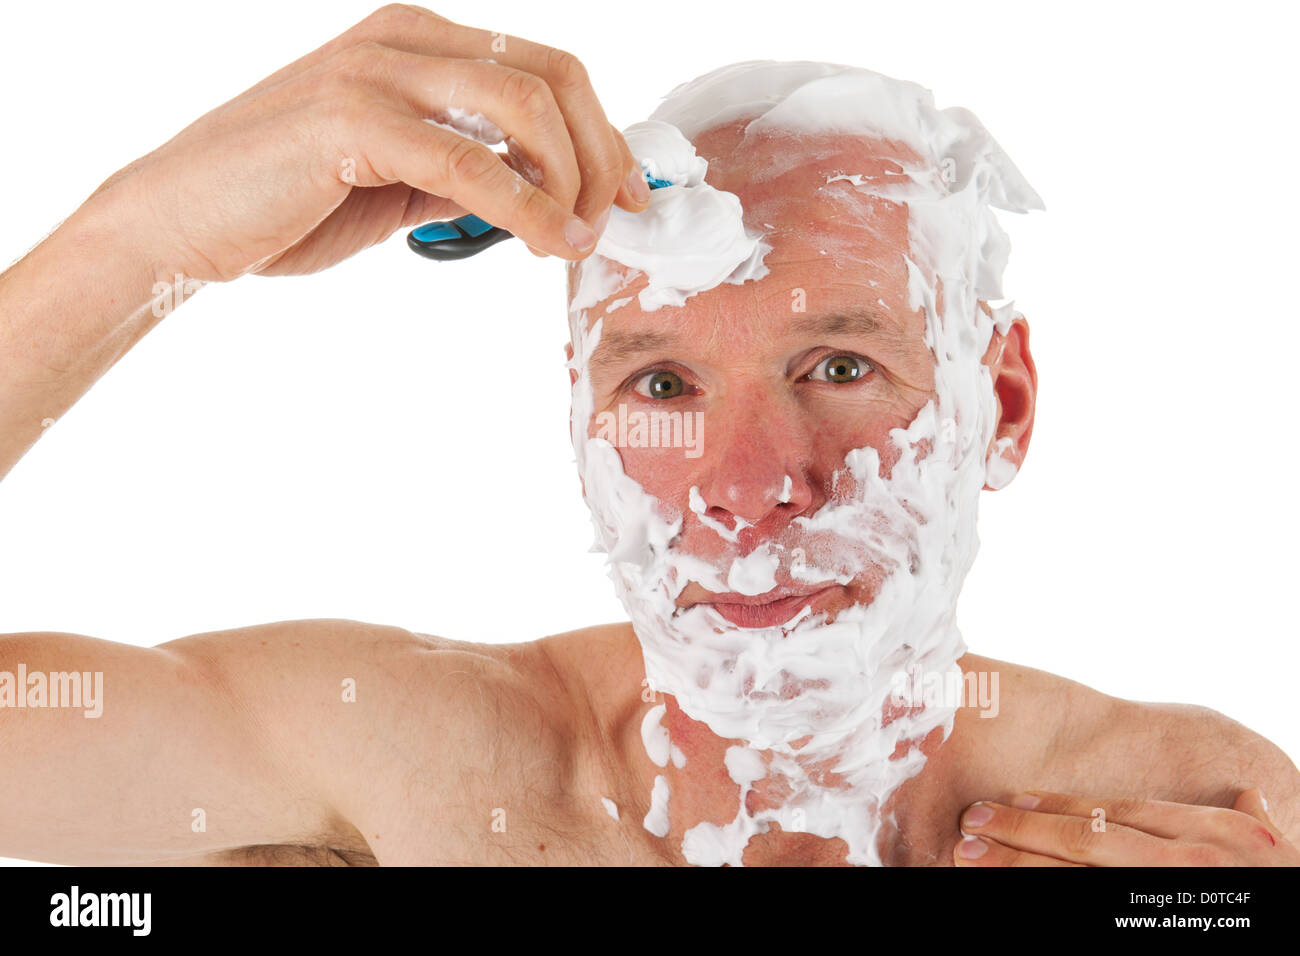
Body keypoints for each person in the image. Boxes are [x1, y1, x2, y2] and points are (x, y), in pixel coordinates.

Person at [1, 5, 1295, 867]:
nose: (745, 491)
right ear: (575, 418)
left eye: (840, 366)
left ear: (1000, 406)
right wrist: (146, 239)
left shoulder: (1188, 822)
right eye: (663, 386)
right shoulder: (408, 761)